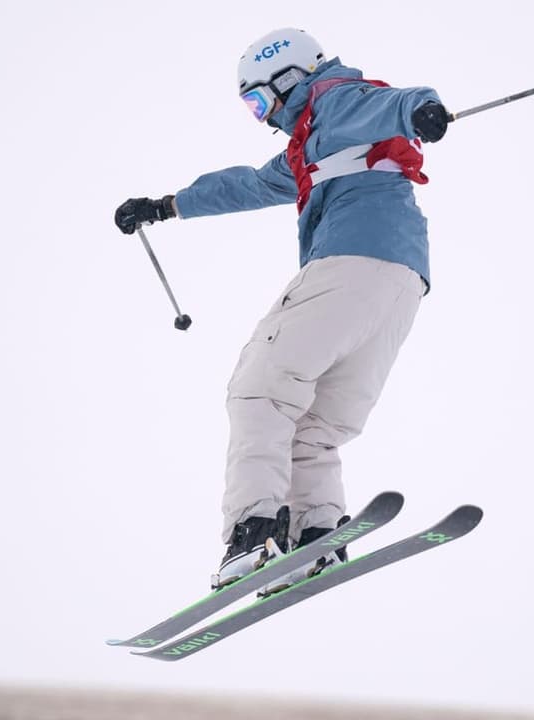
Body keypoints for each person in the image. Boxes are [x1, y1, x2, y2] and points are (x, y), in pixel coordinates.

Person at [114, 28, 450, 591]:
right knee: (315, 428)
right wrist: (167, 206)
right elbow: (247, 186)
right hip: (401, 282)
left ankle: (253, 531)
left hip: (351, 262)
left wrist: (422, 110)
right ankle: (316, 533)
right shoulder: (315, 144)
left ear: (287, 79)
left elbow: (389, 102)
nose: (259, 114)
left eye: (257, 100)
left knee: (259, 389)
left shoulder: (335, 102)